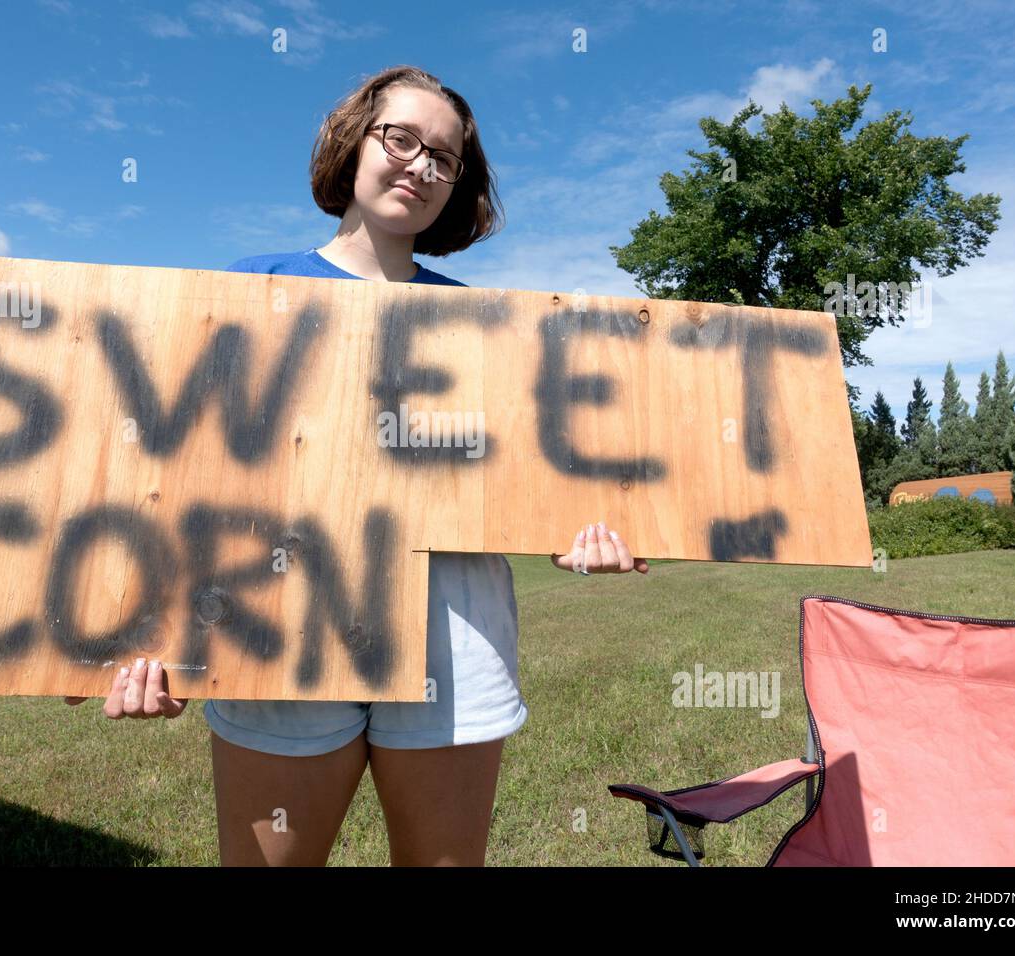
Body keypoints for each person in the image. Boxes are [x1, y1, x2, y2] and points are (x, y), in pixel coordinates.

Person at [68, 65, 649, 866]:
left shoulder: (485, 326)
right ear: (352, 142)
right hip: (278, 629)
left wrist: (584, 534)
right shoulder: (249, 291)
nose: (420, 166)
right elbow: (167, 484)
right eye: (401, 139)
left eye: (444, 158)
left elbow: (526, 486)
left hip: (454, 629)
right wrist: (146, 638)